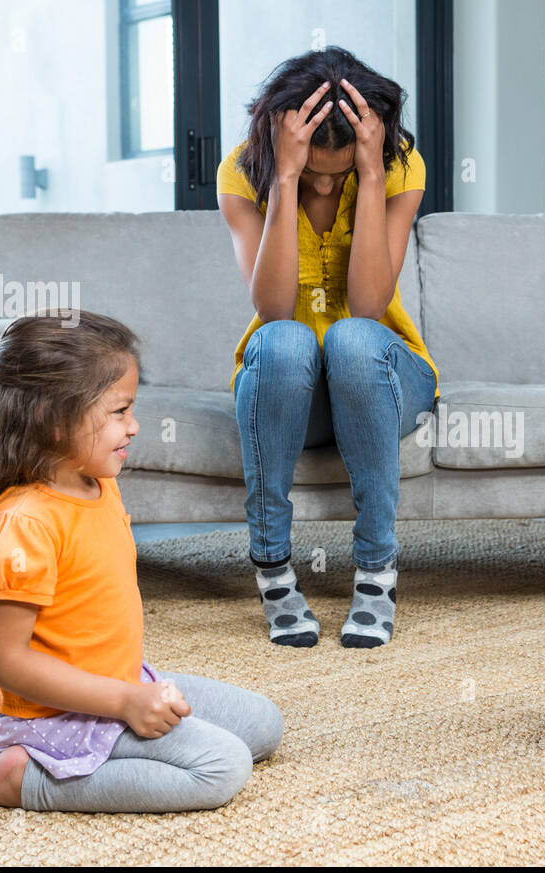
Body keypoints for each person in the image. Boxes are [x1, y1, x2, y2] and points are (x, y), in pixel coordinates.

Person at [0, 310, 283, 812]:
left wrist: (131, 695)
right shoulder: (23, 524)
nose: (134, 426)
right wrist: (125, 703)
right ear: (53, 420)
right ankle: (23, 777)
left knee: (263, 724)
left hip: (118, 685)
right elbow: (4, 662)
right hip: (47, 717)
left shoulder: (100, 484)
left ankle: (109, 743)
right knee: (222, 766)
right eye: (119, 411)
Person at [216, 46, 437, 649]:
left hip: (382, 377)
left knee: (352, 337)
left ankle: (376, 571)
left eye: (335, 173)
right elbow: (275, 307)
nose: (323, 182)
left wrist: (367, 177)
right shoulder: (244, 172)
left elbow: (367, 305)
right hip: (291, 389)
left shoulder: (396, 167)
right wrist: (285, 181)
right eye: (312, 167)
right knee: (282, 340)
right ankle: (274, 569)